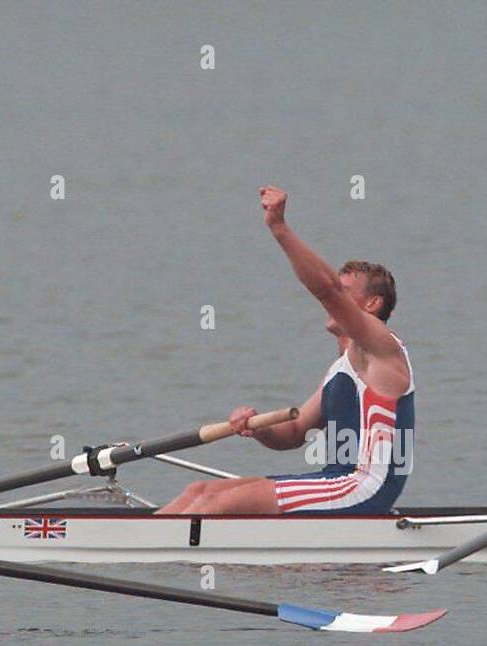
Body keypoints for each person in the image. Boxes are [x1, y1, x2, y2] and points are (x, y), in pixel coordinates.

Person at [157, 187, 414, 515]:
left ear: (372, 304)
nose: (335, 301)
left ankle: (136, 552)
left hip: (364, 487)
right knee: (200, 490)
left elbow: (326, 289)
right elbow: (293, 433)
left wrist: (279, 227)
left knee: (214, 504)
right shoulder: (342, 369)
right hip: (337, 481)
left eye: (346, 292)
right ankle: (132, 546)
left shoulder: (381, 348)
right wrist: (257, 426)